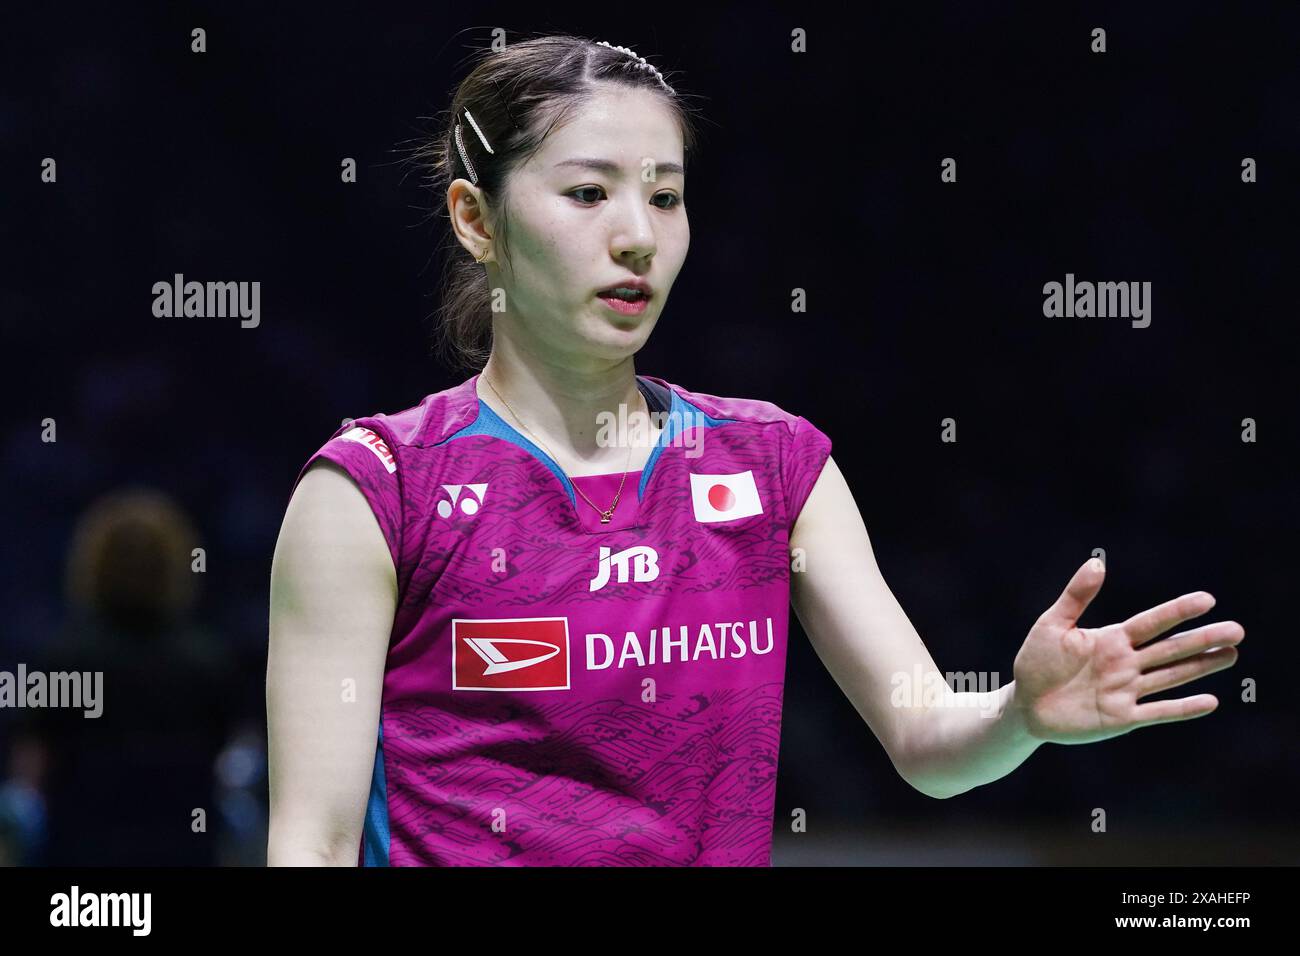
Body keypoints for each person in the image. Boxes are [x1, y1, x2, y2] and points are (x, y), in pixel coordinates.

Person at [265, 34, 1245, 866]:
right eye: (587, 192)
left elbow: (925, 736)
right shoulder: (377, 491)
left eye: (663, 195)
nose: (636, 237)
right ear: (476, 219)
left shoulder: (773, 464)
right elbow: (312, 839)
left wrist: (1015, 717)